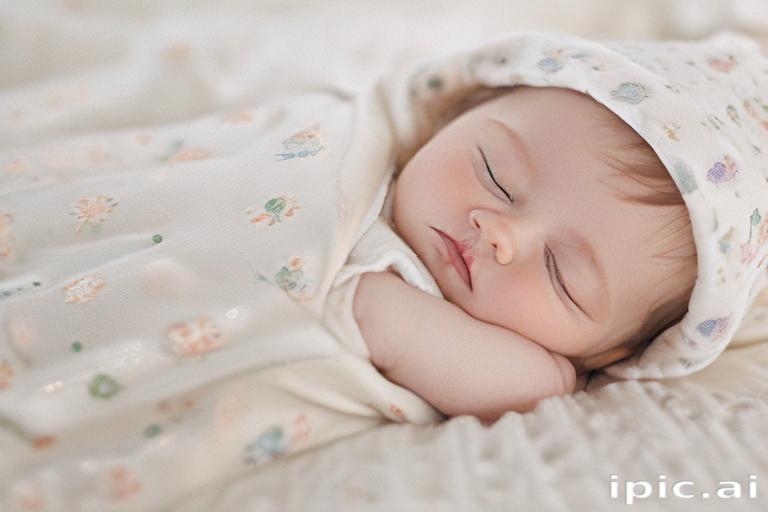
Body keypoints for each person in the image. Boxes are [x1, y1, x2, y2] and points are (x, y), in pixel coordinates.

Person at [1, 30, 768, 510]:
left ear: (611, 355)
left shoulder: (489, 349)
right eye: (496, 173)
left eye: (564, 275)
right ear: (457, 109)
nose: (501, 234)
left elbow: (537, 387)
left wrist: (379, 311)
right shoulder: (362, 144)